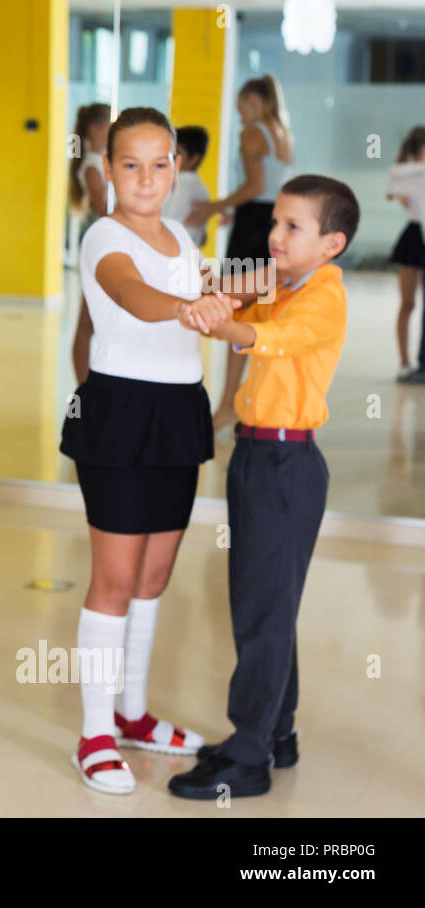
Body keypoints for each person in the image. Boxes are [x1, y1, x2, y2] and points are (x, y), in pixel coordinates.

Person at [170, 175, 359, 799]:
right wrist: (217, 298)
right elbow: (230, 300)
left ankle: (248, 757)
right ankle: (277, 734)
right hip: (258, 456)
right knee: (269, 610)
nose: (274, 236)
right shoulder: (287, 280)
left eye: (292, 228)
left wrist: (218, 318)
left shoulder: (323, 296)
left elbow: (262, 336)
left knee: (260, 616)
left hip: (287, 467)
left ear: (332, 243)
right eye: (274, 223)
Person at [59, 107, 221, 795]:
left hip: (179, 411)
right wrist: (189, 307)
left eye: (161, 163)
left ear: (176, 168)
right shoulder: (103, 235)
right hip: (121, 413)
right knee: (116, 581)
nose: (147, 177)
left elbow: (201, 290)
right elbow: (131, 295)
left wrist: (243, 292)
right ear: (107, 170)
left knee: (154, 579)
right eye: (131, 164)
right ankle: (94, 734)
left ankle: (133, 714)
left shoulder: (181, 235)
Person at [189, 74, 294, 431]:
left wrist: (214, 206)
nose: (239, 114)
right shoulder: (283, 134)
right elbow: (271, 190)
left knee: (238, 314)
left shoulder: (251, 134)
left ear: (254, 101)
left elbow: (256, 185)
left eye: (241, 106)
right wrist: (235, 211)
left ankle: (229, 406)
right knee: (261, 315)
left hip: (253, 228)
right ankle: (243, 405)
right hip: (270, 223)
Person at [69, 103, 111, 383]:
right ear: (96, 129)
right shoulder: (92, 168)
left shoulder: (101, 162)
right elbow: (104, 211)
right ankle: (84, 386)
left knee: (92, 321)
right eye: (110, 124)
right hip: (98, 246)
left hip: (102, 244)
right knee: (87, 324)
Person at [387, 127, 425, 382]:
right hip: (414, 237)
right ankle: (404, 362)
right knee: (408, 303)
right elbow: (398, 196)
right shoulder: (407, 171)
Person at [162, 125, 211, 248]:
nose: (171, 158)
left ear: (194, 159)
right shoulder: (199, 187)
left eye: (177, 153)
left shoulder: (184, 185)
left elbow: (170, 222)